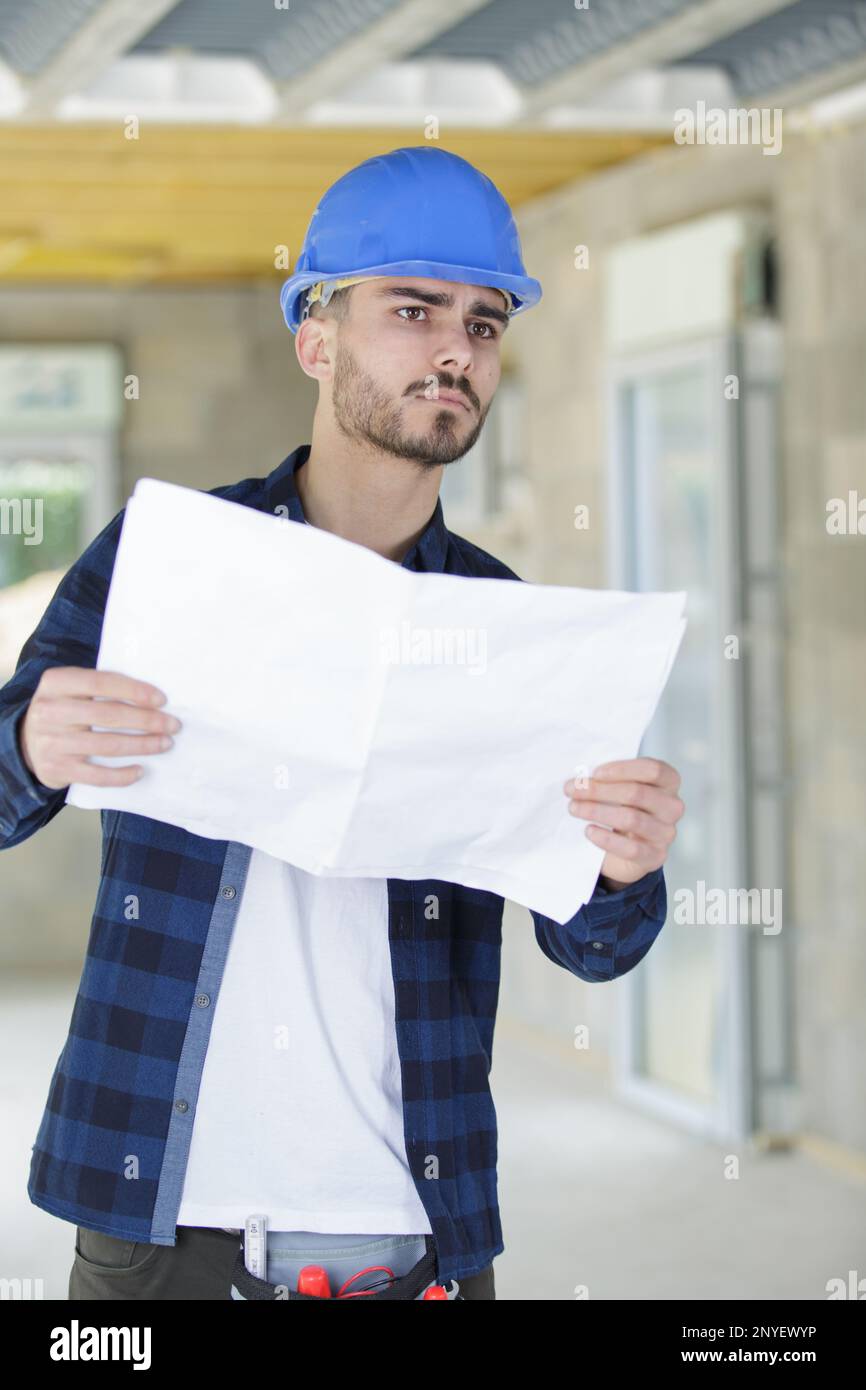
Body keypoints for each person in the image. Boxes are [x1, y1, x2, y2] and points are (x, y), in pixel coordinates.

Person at [0, 146, 684, 1301]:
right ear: (315, 340)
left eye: (483, 322)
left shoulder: (506, 626)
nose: (455, 349)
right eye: (412, 310)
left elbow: (594, 944)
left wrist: (624, 868)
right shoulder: (171, 559)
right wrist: (27, 747)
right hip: (157, 1214)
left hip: (410, 1225)